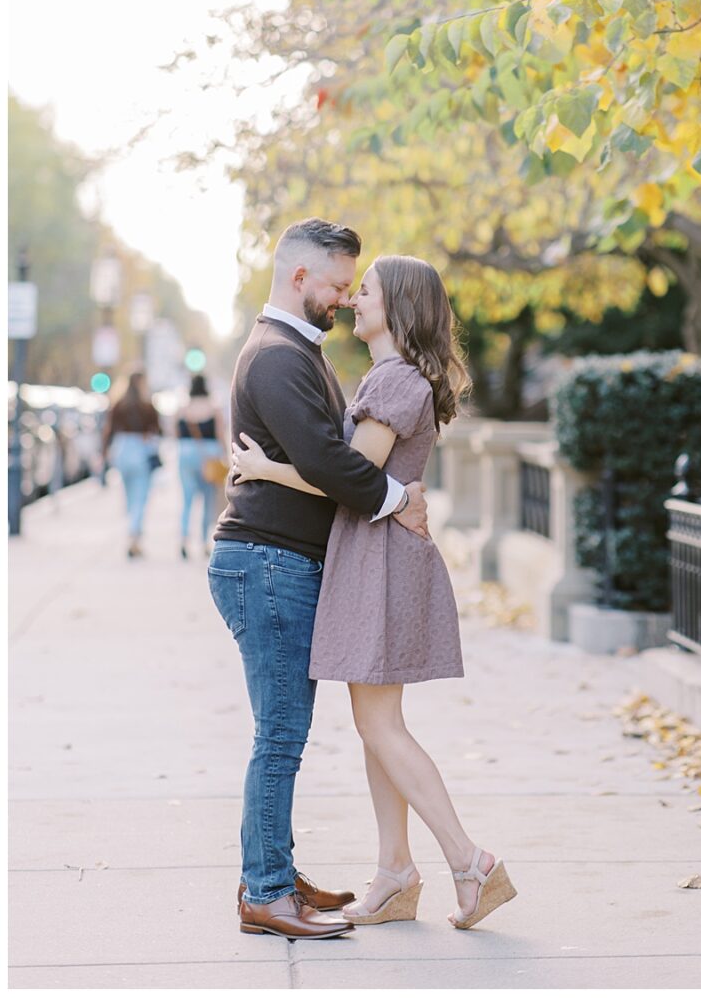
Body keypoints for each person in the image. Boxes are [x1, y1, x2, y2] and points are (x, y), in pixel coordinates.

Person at [230, 252, 517, 932]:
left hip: (381, 557)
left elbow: (348, 476)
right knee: (376, 727)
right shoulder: (393, 375)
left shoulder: (396, 381)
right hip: (376, 550)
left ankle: (469, 862)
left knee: (379, 724)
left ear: (400, 308)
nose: (355, 299)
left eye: (368, 291)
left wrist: (266, 467)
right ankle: (394, 875)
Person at [208, 218, 431, 940]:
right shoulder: (276, 357)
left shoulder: (295, 351)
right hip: (267, 562)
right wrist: (399, 500)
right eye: (337, 285)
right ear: (299, 278)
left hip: (275, 562)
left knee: (282, 732)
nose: (342, 298)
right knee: (280, 735)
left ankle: (271, 870)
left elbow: (319, 457)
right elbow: (338, 468)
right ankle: (267, 892)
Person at [101, 368, 161, 559]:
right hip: (140, 450)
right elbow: (158, 429)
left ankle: (133, 533)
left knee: (128, 496)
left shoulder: (119, 404)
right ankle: (134, 535)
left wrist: (104, 453)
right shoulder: (147, 405)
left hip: (122, 450)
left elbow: (109, 430)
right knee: (140, 497)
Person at [175, 373, 227, 559]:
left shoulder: (182, 408)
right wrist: (225, 457)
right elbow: (221, 434)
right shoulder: (214, 408)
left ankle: (183, 539)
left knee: (187, 500)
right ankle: (205, 542)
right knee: (208, 500)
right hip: (209, 456)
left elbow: (175, 434)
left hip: (186, 453)